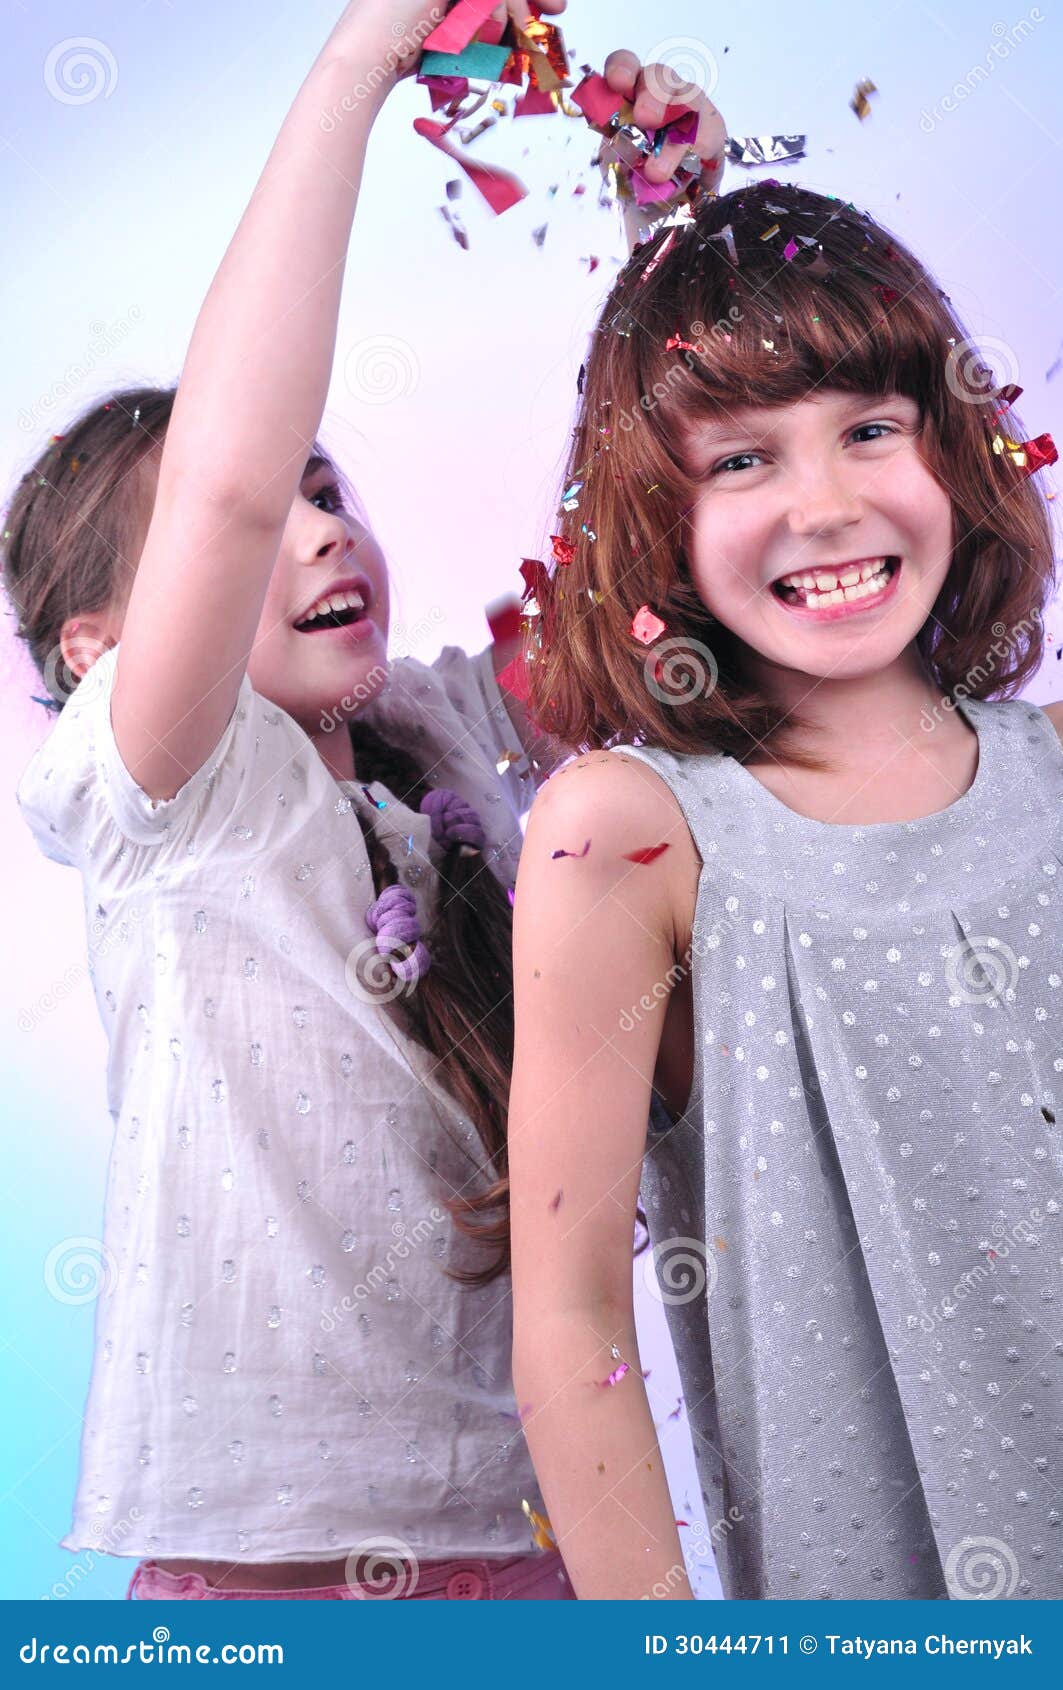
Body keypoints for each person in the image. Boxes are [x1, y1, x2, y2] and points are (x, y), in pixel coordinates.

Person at [3, 1, 725, 1601]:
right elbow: (232, 474)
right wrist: (356, 70)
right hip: (269, 1569)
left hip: (526, 1532)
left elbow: (652, 566)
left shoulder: (444, 735)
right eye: (267, 518)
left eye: (335, 494)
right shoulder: (172, 794)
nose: (315, 525)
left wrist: (657, 227)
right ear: (101, 647)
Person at [507, 177, 1062, 1600]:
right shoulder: (631, 835)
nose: (826, 503)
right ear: (654, 511)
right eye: (743, 460)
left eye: (872, 430)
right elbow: (572, 1319)